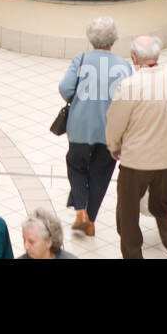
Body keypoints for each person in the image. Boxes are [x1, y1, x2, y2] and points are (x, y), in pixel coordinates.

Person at [105, 35, 167, 259]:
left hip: (135, 163)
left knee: (127, 213)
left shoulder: (129, 86)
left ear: (134, 58)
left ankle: (133, 254)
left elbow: (115, 122)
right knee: (162, 208)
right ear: (158, 55)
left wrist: (114, 145)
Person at [59, 17, 133, 237]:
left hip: (80, 125)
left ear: (90, 38)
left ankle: (80, 210)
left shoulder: (80, 59)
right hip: (110, 130)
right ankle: (90, 218)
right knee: (101, 172)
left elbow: (65, 89)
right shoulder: (123, 66)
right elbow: (130, 98)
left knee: (76, 164)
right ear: (115, 39)